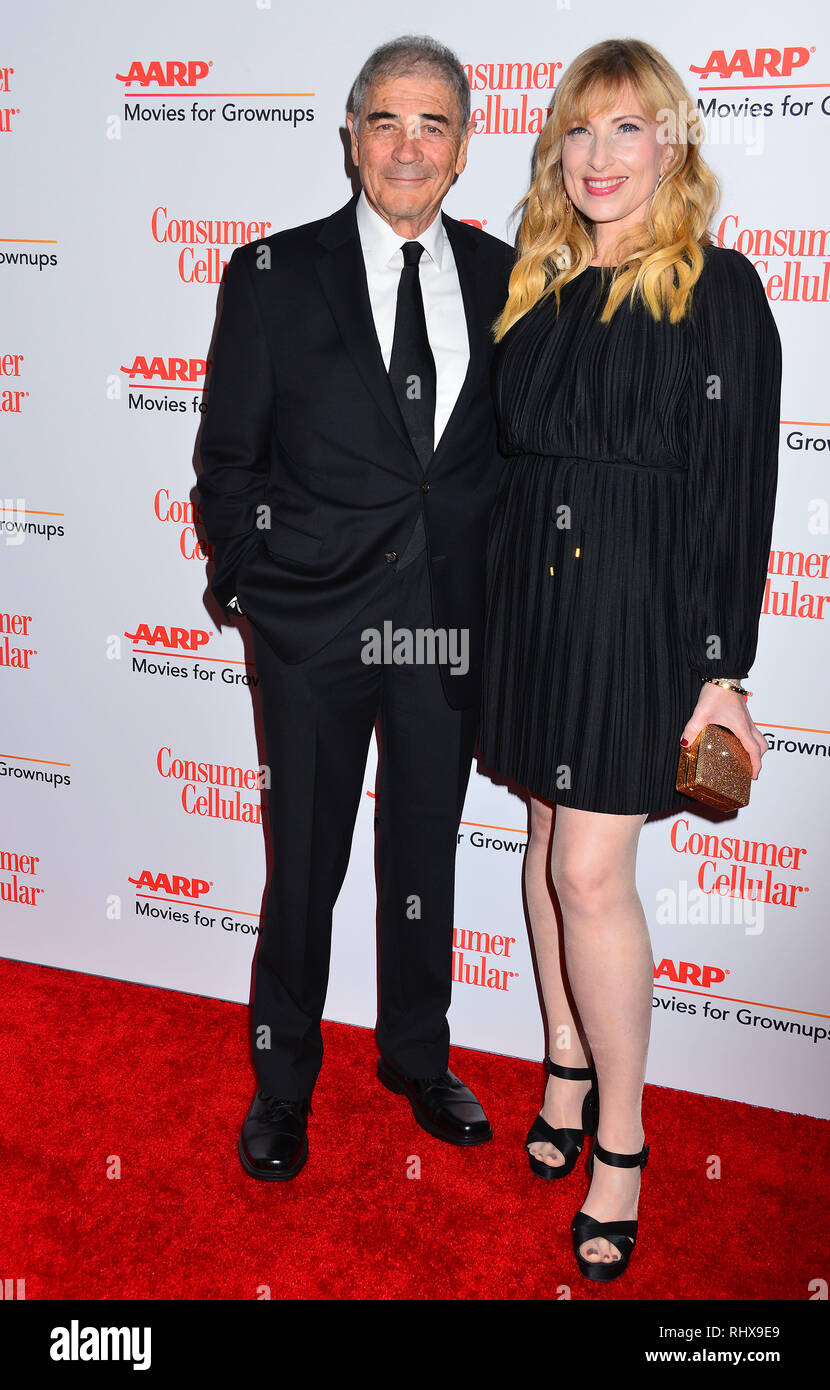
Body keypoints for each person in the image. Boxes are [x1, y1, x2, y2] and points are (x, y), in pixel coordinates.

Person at [477, 37, 781, 1280]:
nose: (598, 158)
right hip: (530, 607)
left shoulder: (716, 289)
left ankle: (621, 1139)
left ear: (671, 143)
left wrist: (721, 668)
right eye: (578, 133)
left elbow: (735, 487)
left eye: (626, 130)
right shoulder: (536, 286)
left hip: (637, 614)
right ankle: (559, 1059)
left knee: (592, 872)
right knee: (546, 843)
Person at [197, 35, 514, 1180]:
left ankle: (415, 1056)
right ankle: (283, 1081)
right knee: (307, 863)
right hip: (313, 627)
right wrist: (253, 589)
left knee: (423, 844)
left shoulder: (502, 276)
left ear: (463, 146)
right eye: (385, 120)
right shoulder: (272, 275)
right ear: (349, 134)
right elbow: (225, 463)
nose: (407, 146)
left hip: (438, 620)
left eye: (432, 124)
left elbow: (508, 464)